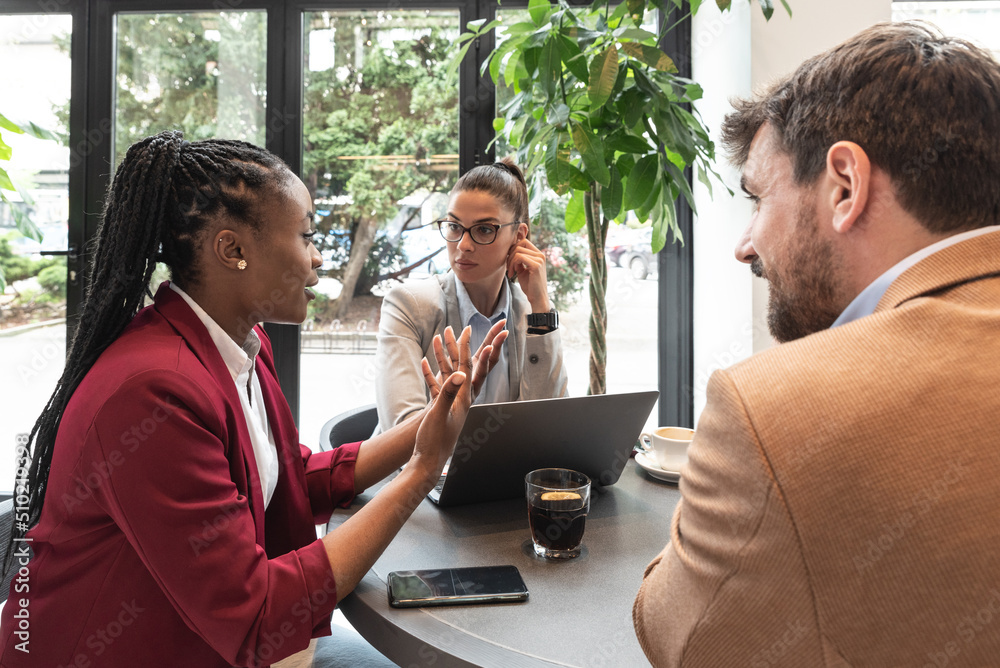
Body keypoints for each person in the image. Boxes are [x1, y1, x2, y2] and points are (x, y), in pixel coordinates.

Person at [0, 131, 505, 668]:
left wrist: (433, 420)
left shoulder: (240, 343)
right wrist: (422, 471)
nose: (317, 259)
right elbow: (255, 617)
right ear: (232, 249)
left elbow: (292, 477)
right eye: (307, 236)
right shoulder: (153, 393)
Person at [633, 22, 1000, 666]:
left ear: (844, 187)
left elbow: (676, 638)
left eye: (757, 197)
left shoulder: (772, 409)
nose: (744, 244)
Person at [375, 159, 568, 430]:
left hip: (504, 472)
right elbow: (399, 433)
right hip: (423, 473)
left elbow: (549, 425)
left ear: (518, 235)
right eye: (454, 226)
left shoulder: (532, 317)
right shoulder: (408, 305)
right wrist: (446, 408)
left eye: (484, 230)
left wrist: (541, 306)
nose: (463, 245)